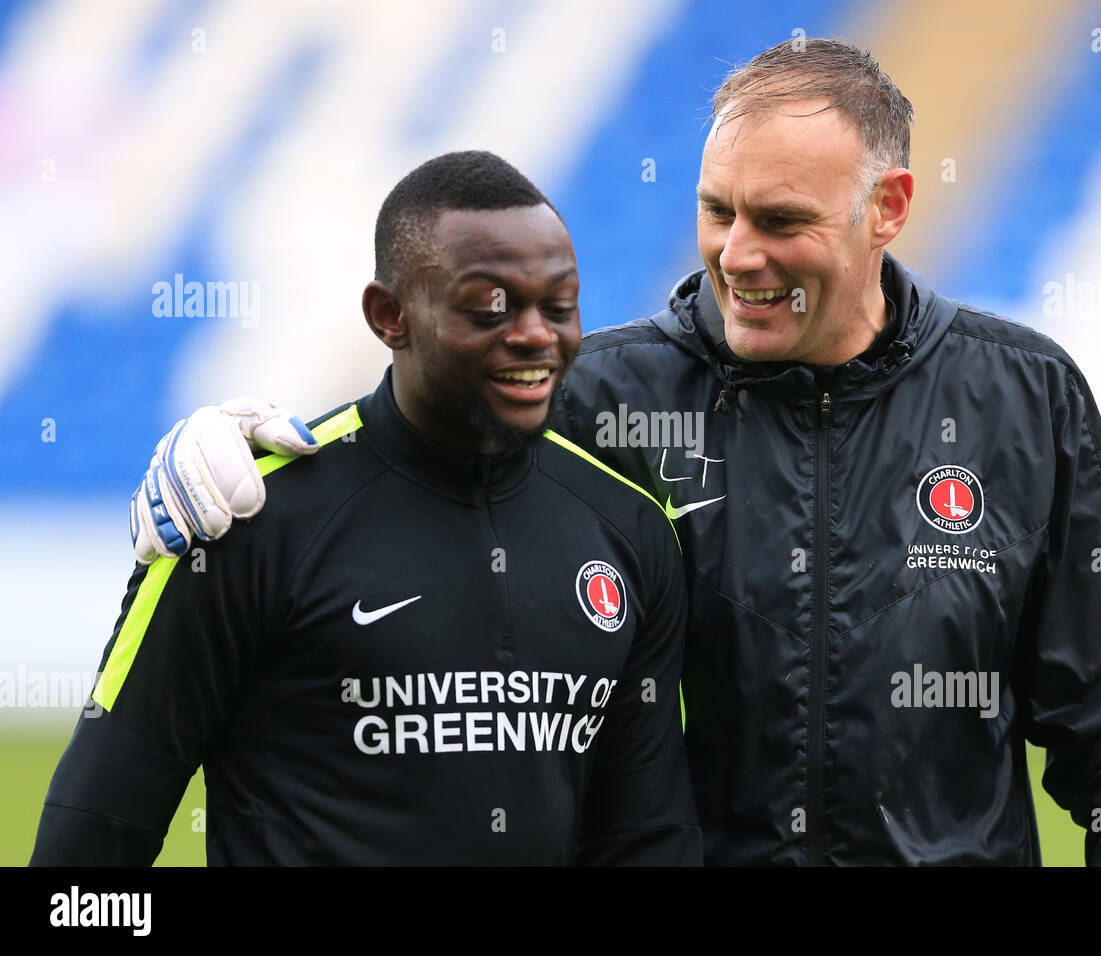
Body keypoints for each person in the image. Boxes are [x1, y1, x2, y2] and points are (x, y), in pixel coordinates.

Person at [122, 40, 1101, 865]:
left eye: (780, 220)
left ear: (886, 206)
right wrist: (241, 457)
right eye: (716, 210)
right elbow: (387, 482)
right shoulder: (587, 397)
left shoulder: (1021, 400)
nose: (736, 254)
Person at [31, 151, 700, 866]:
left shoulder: (628, 530)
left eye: (559, 306)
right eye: (489, 307)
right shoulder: (244, 520)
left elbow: (644, 842)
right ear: (390, 316)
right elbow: (88, 845)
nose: (537, 333)